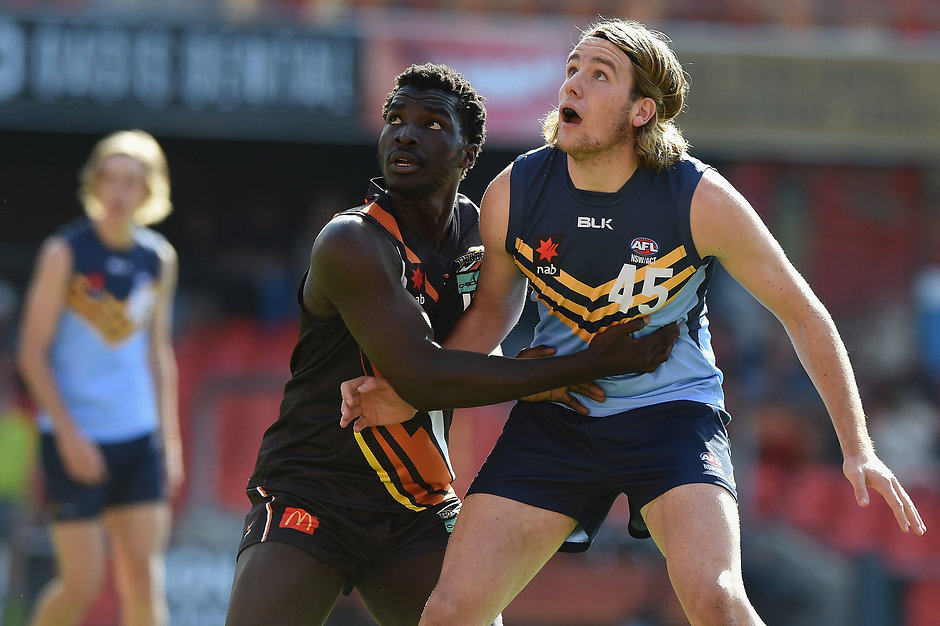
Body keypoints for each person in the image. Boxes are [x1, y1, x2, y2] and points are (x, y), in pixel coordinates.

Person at [340, 19, 927, 626]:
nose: (572, 84)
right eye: (572, 69)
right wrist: (411, 391)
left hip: (672, 417)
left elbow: (803, 315)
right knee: (449, 612)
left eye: (600, 75)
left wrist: (858, 449)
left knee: (717, 599)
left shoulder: (699, 198)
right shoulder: (514, 192)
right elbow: (490, 314)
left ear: (641, 111)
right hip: (558, 417)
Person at [224, 62, 679, 626]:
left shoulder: (480, 233)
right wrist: (575, 368)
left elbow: (472, 350)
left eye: (432, 124)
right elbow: (424, 376)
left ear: (469, 154)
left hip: (415, 502)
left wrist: (527, 371)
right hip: (312, 491)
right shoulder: (351, 242)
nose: (406, 134)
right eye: (395, 119)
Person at [16, 129, 183, 626]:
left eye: (131, 180)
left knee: (144, 584)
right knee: (81, 586)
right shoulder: (64, 252)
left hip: (137, 437)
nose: (118, 191)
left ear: (149, 189)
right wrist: (69, 435)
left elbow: (158, 352)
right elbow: (30, 352)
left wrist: (168, 441)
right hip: (75, 439)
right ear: (94, 183)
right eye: (109, 178)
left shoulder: (159, 258)